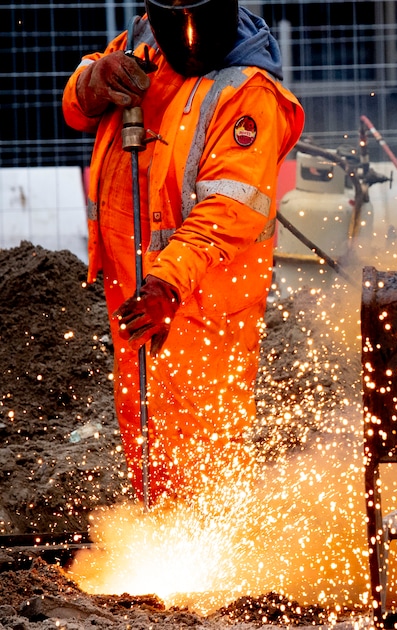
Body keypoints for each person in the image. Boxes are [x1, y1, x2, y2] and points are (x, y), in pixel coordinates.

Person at [62, 0, 304, 506]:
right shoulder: (142, 45)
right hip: (140, 289)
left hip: (204, 298)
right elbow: (77, 107)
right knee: (144, 420)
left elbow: (229, 209)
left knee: (204, 429)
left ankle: (211, 539)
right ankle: (158, 524)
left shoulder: (248, 93)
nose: (187, 36)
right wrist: (94, 80)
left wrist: (167, 282)